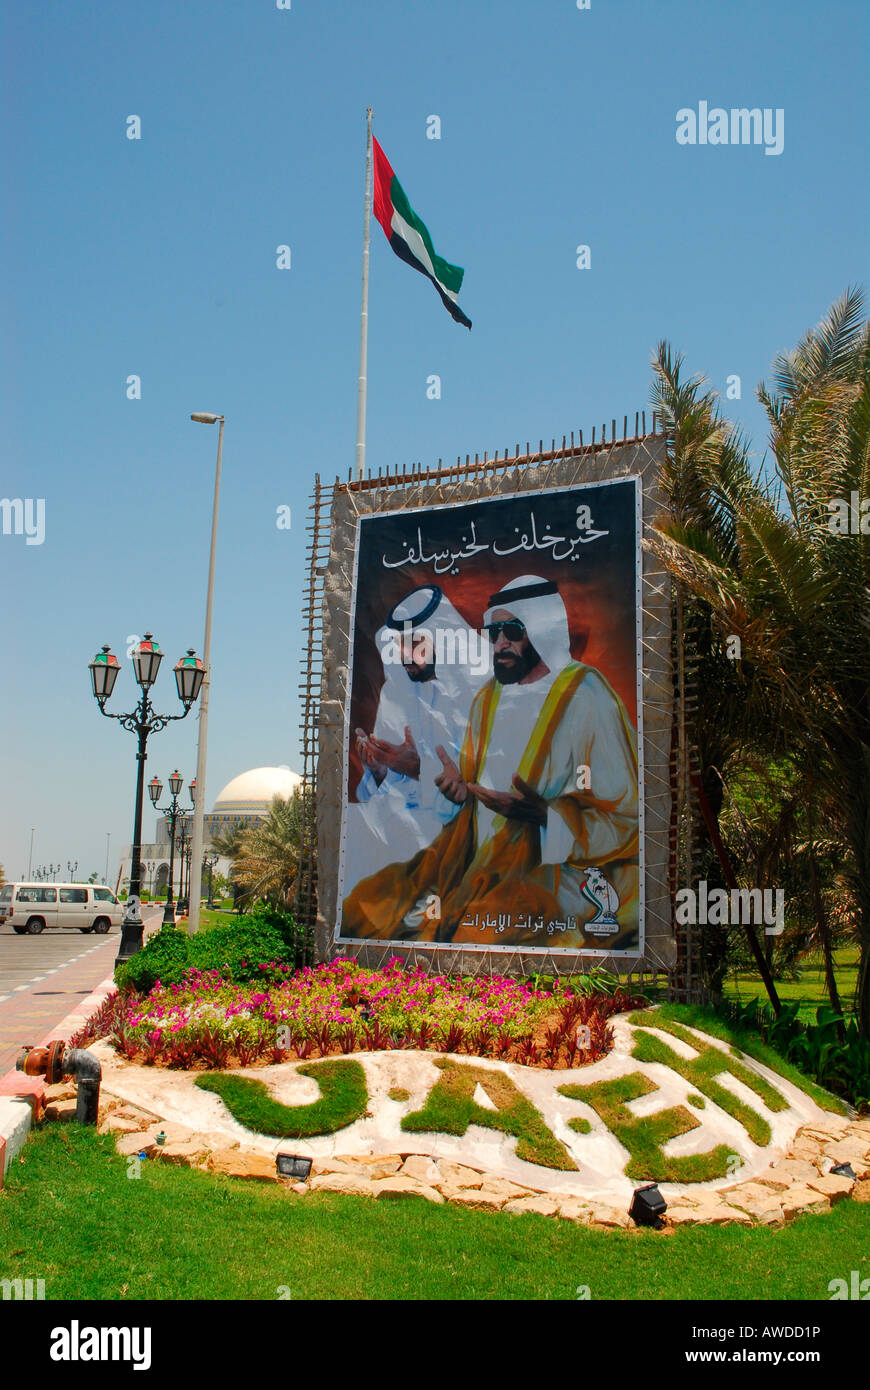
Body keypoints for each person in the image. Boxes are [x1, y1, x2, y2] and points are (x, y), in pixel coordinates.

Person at [341, 573, 639, 947]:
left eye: (512, 631)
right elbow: (465, 798)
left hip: (552, 871)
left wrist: (544, 816)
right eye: (493, 632)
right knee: (363, 908)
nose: (500, 643)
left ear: (541, 630)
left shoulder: (587, 697)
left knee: (474, 931)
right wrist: (452, 786)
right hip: (470, 860)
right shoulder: (489, 697)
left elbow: (625, 819)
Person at [342, 584, 489, 888]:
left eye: (415, 644)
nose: (405, 655)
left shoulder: (483, 694)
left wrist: (417, 768)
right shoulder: (398, 693)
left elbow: (495, 778)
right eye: (400, 645)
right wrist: (380, 771)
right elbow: (385, 798)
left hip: (473, 847)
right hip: (410, 848)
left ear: (443, 641)